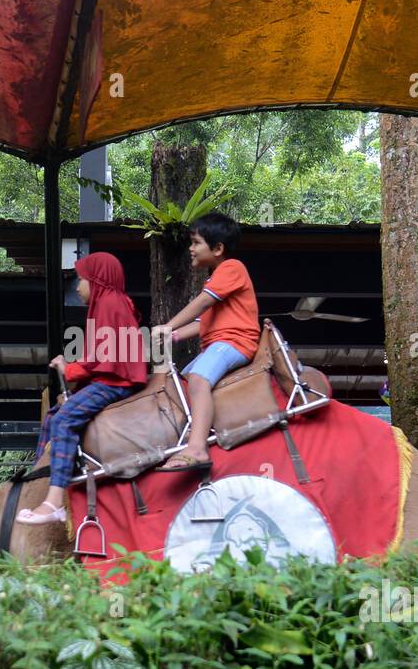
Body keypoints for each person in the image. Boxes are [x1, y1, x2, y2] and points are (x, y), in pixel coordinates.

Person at [18, 252, 147, 525]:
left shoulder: (111, 303)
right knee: (53, 414)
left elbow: (102, 357)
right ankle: (37, 483)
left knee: (63, 420)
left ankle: (54, 503)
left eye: (82, 278)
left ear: (97, 279)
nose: (77, 286)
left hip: (115, 384)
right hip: (108, 380)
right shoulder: (109, 303)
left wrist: (69, 368)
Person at [151, 212, 260, 472]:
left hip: (235, 342)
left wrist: (168, 325)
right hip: (218, 344)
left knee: (199, 378)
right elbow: (204, 323)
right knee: (186, 380)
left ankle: (198, 447)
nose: (191, 249)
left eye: (196, 242)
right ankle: (199, 433)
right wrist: (173, 335)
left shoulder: (232, 268)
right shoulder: (216, 279)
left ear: (218, 248)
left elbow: (202, 303)